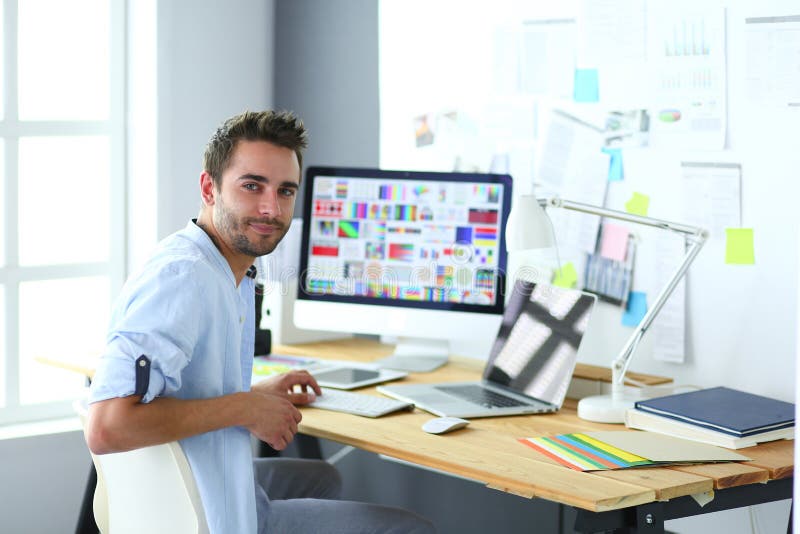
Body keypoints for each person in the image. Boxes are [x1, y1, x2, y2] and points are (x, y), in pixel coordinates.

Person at [85, 110, 436, 534]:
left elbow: (182, 389)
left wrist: (252, 395)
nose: (271, 208)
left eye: (285, 191)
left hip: (201, 483)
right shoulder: (183, 278)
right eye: (252, 186)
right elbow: (108, 427)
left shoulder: (229, 270)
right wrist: (242, 407)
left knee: (323, 477)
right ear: (209, 188)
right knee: (411, 529)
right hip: (209, 518)